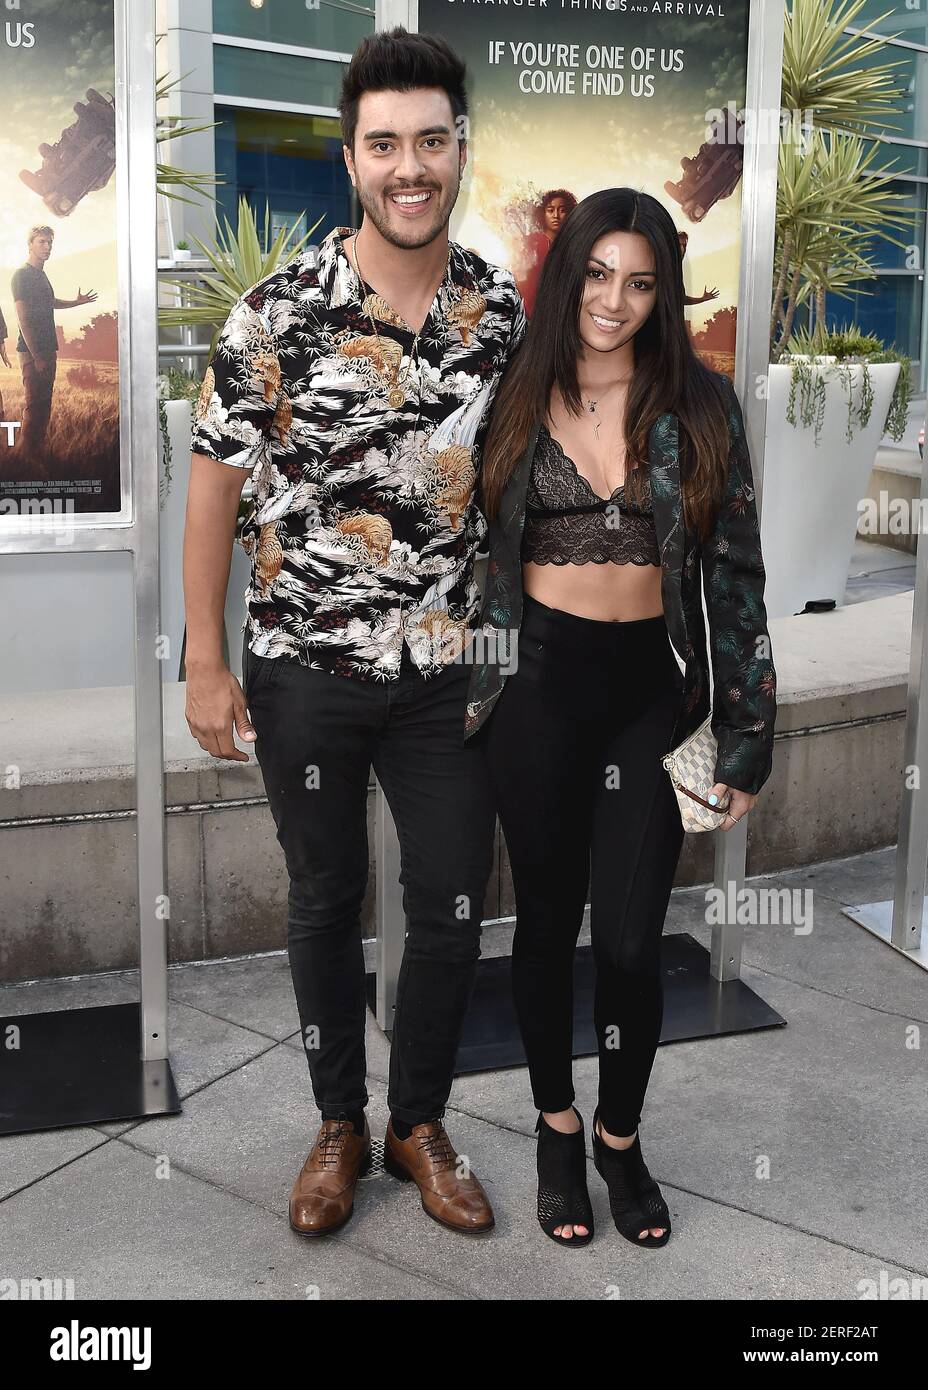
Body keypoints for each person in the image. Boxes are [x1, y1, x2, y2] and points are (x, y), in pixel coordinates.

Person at [184, 27, 525, 1239]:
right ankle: (337, 1123)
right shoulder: (273, 314)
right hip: (302, 669)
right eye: (385, 144)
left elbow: (527, 483)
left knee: (446, 902)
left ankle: (416, 1121)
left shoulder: (500, 314)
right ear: (351, 160)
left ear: (457, 150)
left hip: (448, 674)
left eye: (431, 140)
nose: (410, 166)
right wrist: (205, 655)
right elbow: (216, 485)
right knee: (325, 896)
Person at [465, 188, 777, 1250]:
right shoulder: (513, 389)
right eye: (597, 274)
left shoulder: (701, 404)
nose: (614, 299)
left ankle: (618, 1137)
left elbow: (736, 575)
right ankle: (555, 1127)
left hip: (649, 691)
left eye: (640, 282)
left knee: (635, 944)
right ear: (567, 275)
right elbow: (459, 558)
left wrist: (746, 734)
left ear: (663, 292)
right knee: (545, 928)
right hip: (537, 687)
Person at [11, 226, 97, 457]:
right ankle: (25, 457)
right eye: (42, 242)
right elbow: (23, 318)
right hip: (32, 351)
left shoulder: (40, 275)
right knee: (35, 405)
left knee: (44, 404)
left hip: (49, 348)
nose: (47, 247)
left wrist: (77, 303)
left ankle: (35, 453)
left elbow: (51, 302)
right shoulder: (22, 275)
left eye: (50, 243)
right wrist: (37, 355)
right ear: (30, 244)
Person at [516, 188, 577, 317]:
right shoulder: (531, 242)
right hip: (531, 312)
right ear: (543, 213)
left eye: (562, 210)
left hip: (563, 312)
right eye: (550, 210)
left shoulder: (574, 246)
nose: (556, 215)